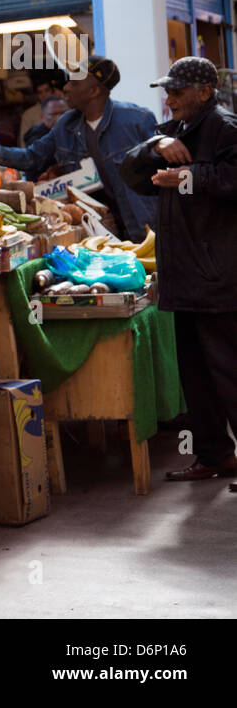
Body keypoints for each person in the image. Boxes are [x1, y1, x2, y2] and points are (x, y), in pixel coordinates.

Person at [120, 57, 237, 482]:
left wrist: (189, 177)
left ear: (204, 92)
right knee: (198, 377)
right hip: (185, 278)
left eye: (177, 91)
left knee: (230, 373)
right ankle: (215, 457)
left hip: (219, 278)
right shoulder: (174, 132)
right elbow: (129, 174)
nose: (168, 100)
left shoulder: (224, 127)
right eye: (166, 92)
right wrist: (154, 147)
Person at [0, 56, 158, 239]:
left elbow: (162, 171)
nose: (66, 88)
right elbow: (30, 157)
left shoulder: (137, 121)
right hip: (99, 230)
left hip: (144, 228)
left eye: (75, 83)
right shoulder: (66, 125)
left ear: (93, 91)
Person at [17, 69, 65, 140]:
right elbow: (23, 141)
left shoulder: (63, 108)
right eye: (40, 92)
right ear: (37, 95)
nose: (44, 95)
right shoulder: (28, 115)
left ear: (53, 91)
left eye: (47, 90)